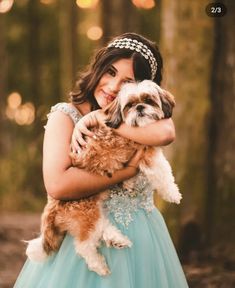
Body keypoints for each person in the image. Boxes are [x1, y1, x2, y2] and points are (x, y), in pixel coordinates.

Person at [14, 32, 189, 288]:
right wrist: (126, 171)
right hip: (85, 233)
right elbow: (58, 184)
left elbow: (167, 133)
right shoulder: (66, 116)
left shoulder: (143, 115)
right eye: (110, 72)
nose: (114, 86)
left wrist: (101, 119)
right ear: (98, 68)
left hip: (144, 238)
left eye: (127, 80)